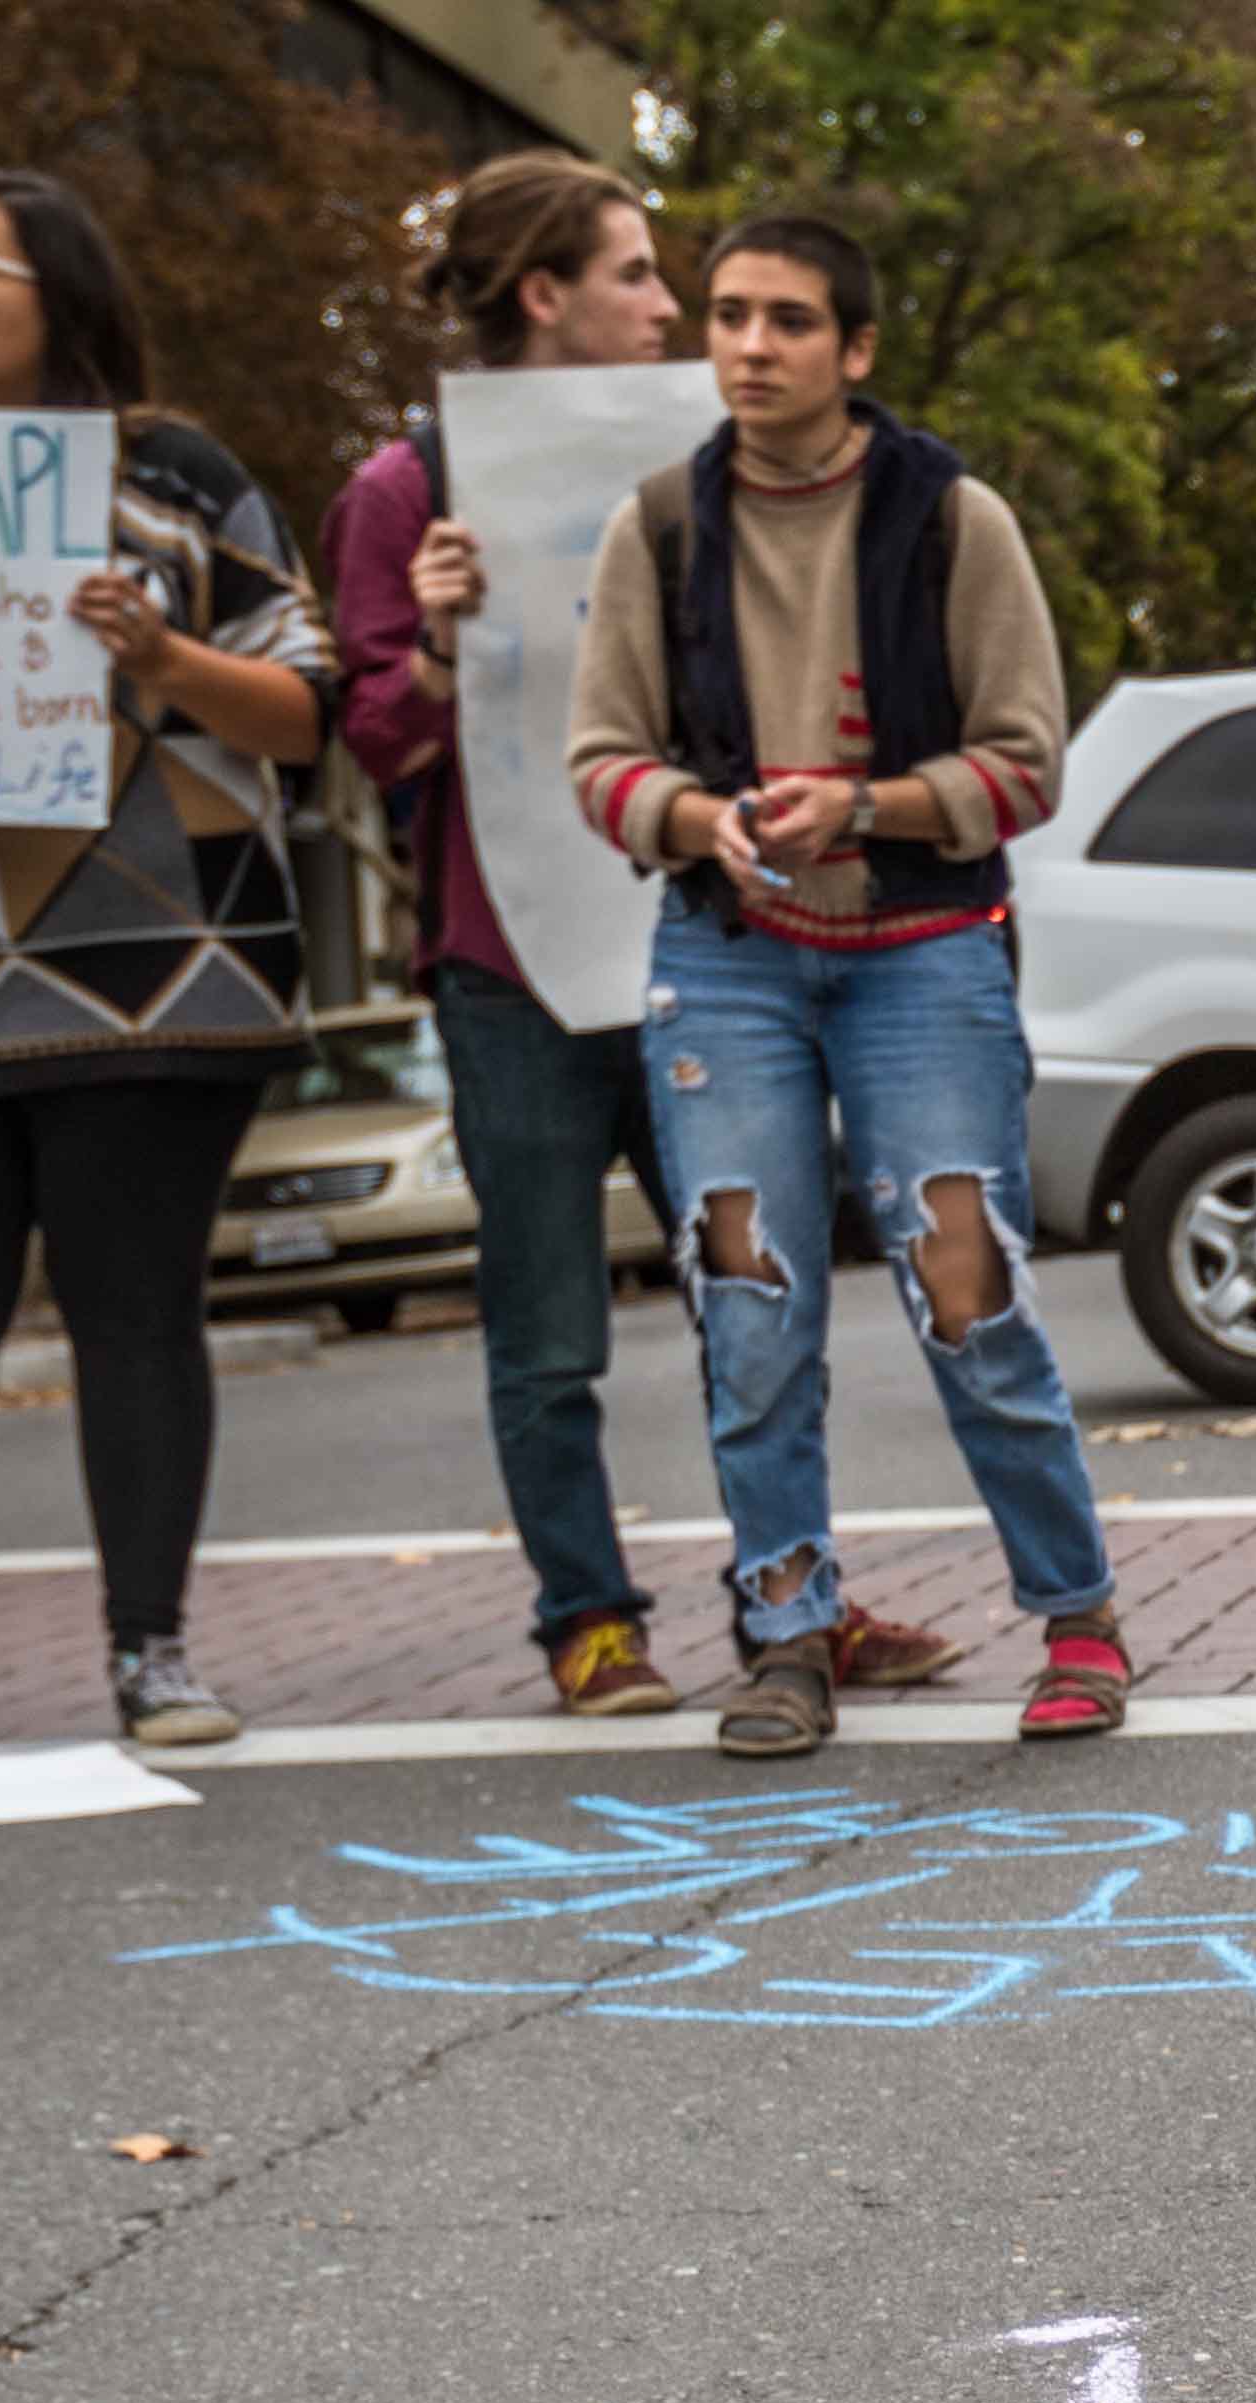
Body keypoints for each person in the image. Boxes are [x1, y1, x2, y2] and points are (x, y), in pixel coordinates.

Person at [562, 211, 1129, 1759]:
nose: (751, 346)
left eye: (790, 321)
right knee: (751, 1313)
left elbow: (1028, 766)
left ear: (854, 350)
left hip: (922, 955)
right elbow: (599, 759)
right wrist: (698, 818)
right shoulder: (660, 525)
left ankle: (1077, 1620)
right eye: (731, 316)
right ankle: (789, 1633)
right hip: (728, 960)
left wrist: (863, 806)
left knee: (973, 1295)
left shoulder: (955, 518)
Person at [0, 170, 332, 1756]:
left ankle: (152, 1653)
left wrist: (159, 657)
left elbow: (304, 718)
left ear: (56, 289)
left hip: (163, 972)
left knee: (132, 1311)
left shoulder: (179, 475)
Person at [327, 152, 751, 1722]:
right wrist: (435, 647)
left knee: (747, 1293)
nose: (666, 303)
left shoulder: (704, 453)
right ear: (543, 293)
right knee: (550, 1324)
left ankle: (794, 1596)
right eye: (635, 273)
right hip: (508, 962)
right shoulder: (404, 490)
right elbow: (373, 744)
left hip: (696, 929)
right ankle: (590, 1619)